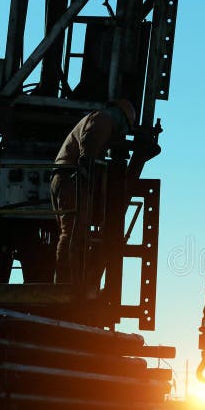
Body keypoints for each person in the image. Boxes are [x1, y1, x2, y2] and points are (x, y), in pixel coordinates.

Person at [50, 99, 135, 285]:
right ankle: (65, 283)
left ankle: (69, 278)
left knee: (73, 232)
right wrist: (87, 173)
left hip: (68, 178)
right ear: (122, 118)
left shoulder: (100, 119)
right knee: (72, 232)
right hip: (72, 180)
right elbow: (88, 147)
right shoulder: (103, 120)